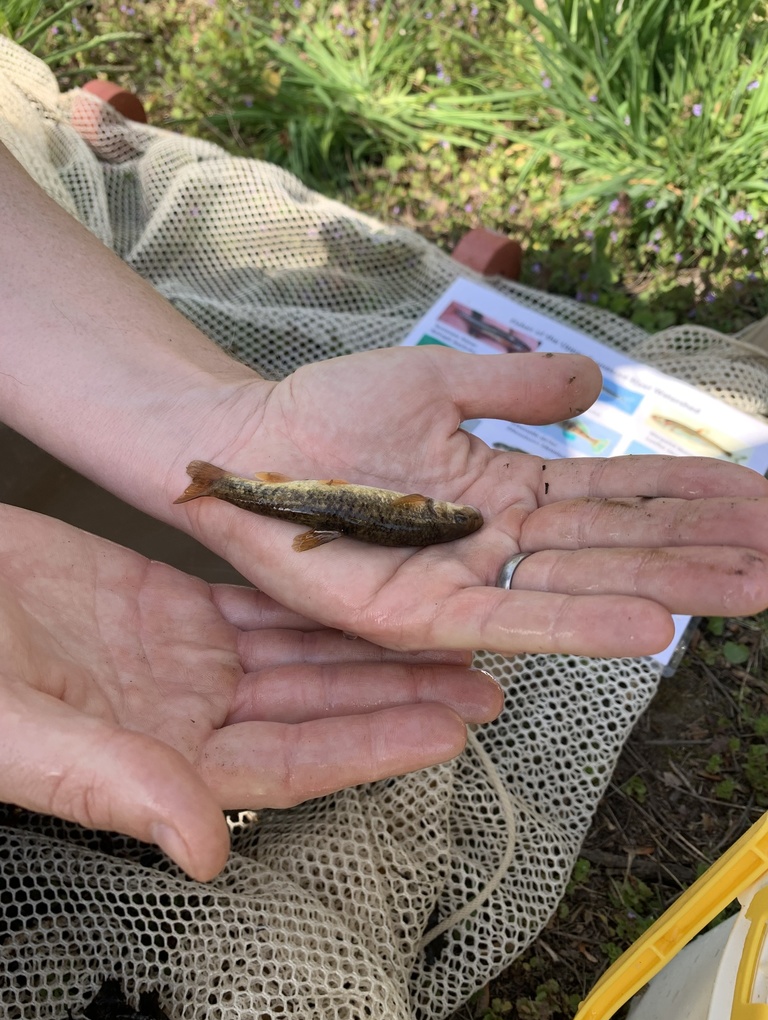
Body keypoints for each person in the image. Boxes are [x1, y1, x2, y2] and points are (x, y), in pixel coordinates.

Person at [2, 139, 768, 881]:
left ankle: (212, 487)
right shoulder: (427, 516)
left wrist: (213, 420)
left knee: (217, 560)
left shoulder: (403, 510)